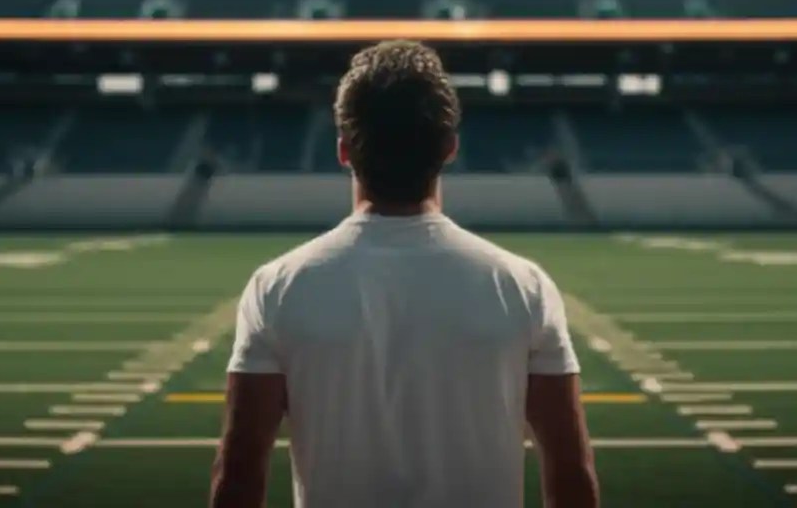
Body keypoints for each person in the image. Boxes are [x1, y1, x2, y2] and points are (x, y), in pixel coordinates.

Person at [210, 41, 599, 508]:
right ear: (450, 148)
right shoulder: (523, 286)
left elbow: (238, 475)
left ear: (343, 150)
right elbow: (571, 473)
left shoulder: (276, 288)